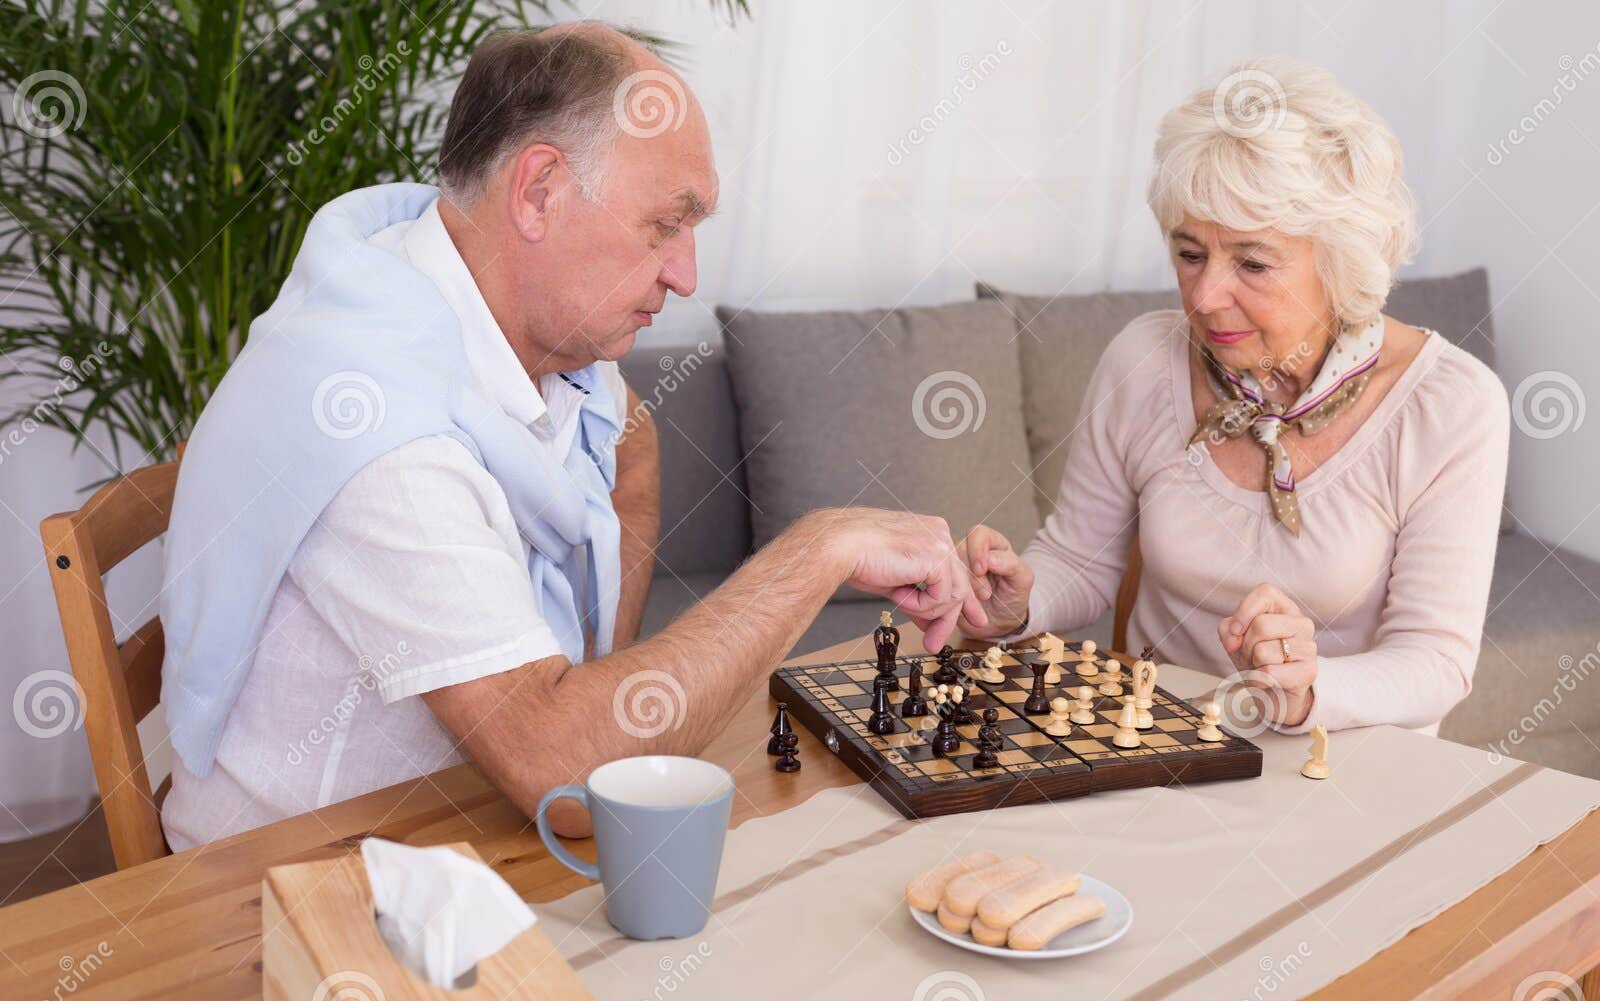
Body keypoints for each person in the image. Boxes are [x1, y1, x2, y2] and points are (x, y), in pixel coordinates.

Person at [158, 23, 984, 851]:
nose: (686, 274)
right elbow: (574, 785)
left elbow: (633, 446)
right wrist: (821, 549)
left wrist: (591, 695)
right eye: (664, 226)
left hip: (465, 823)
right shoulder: (384, 438)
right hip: (288, 886)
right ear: (539, 191)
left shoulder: (503, 311)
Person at [956, 59, 1508, 734]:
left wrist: (1307, 690)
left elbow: (1435, 660)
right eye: (1190, 254)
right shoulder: (1142, 358)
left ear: (1341, 261)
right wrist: (1018, 602)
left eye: (1252, 262)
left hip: (1343, 771)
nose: (1205, 296)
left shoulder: (1450, 405)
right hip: (1158, 747)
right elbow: (1078, 559)